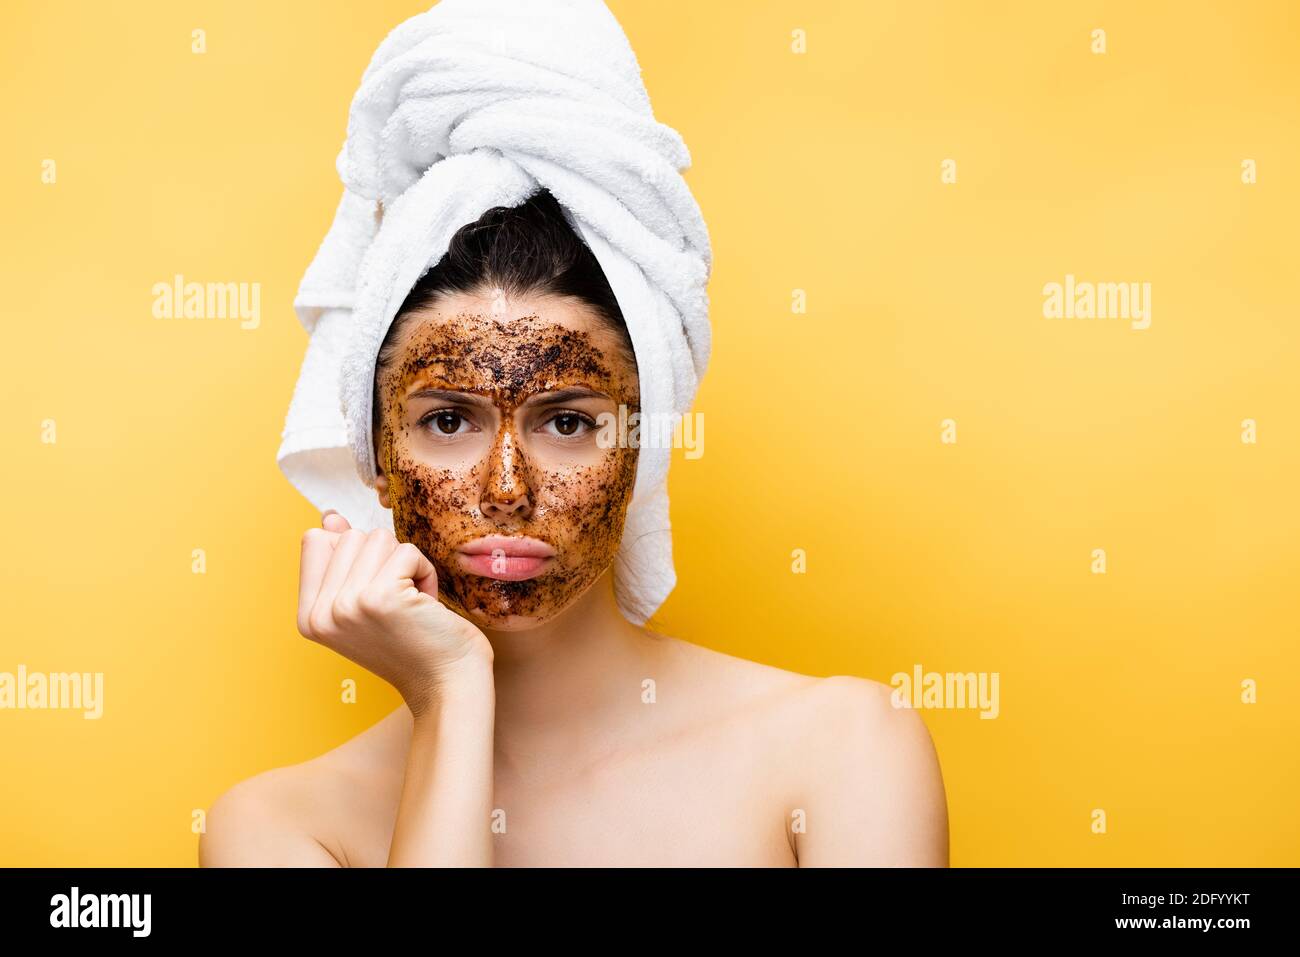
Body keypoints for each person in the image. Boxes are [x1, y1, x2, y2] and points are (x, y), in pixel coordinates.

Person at [199, 190, 948, 867]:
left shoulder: (844, 749)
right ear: (378, 453)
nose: (506, 488)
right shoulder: (278, 829)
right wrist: (450, 692)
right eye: (448, 420)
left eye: (566, 422)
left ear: (639, 449)